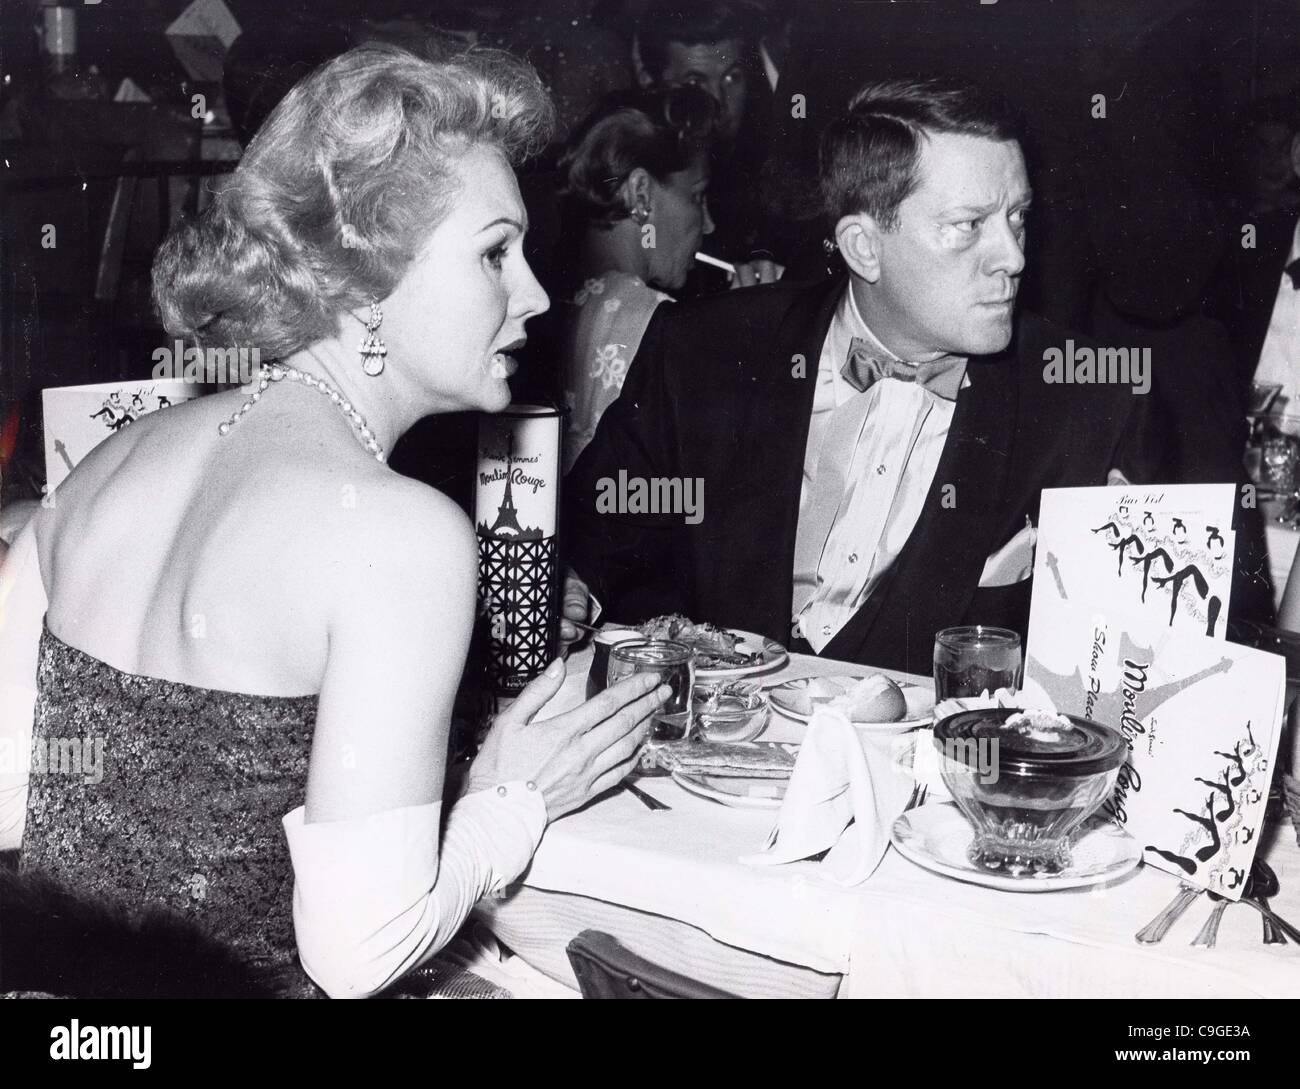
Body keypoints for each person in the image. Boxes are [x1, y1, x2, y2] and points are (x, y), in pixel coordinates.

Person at [0, 46, 669, 1000]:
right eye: (493, 252)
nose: (535, 293)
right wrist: (512, 797)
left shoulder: (113, 459)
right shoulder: (403, 535)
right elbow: (361, 952)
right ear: (365, 280)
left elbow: (9, 791)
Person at [564, 76, 1162, 676]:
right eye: (968, 225)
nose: (1014, 257)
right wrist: (574, 592)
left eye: (1018, 218)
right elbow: (597, 542)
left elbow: (1143, 658)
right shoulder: (703, 351)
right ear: (863, 247)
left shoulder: (1089, 403)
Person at [554, 86, 717, 472]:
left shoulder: (553, 302)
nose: (709, 224)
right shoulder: (661, 324)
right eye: (698, 196)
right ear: (641, 193)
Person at [633, 0, 781, 287]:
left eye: (732, 78)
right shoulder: (640, 191)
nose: (720, 102)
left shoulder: (767, 173)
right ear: (649, 81)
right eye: (694, 83)